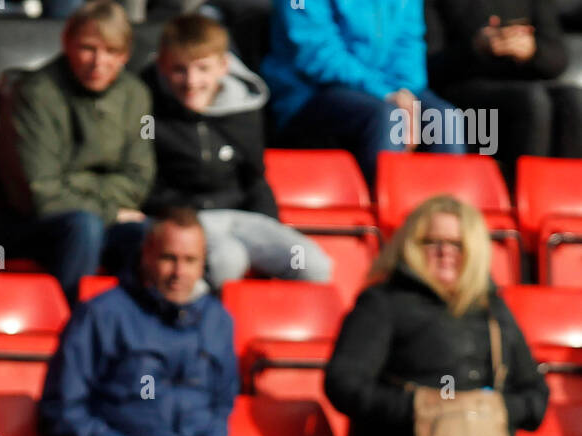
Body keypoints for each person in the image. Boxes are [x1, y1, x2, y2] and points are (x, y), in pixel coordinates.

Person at [324, 194, 557, 436]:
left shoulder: (494, 309)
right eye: (432, 241)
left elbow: (535, 396)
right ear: (411, 246)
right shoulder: (382, 303)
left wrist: (491, 409)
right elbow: (343, 383)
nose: (445, 251)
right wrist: (419, 409)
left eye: (457, 244)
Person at [40, 205, 291, 436]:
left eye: (189, 260)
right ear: (146, 254)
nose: (178, 272)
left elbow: (222, 402)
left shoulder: (217, 319)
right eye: (168, 258)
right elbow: (63, 409)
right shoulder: (101, 314)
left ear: (202, 263)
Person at [0, 1, 155, 304]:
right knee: (84, 227)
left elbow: (140, 179)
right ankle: (69, 330)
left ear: (125, 56)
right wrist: (110, 210)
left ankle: (133, 333)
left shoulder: (136, 96)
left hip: (96, 219)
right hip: (19, 224)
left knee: (149, 236)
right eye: (88, 48)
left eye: (111, 52)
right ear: (66, 43)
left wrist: (77, 187)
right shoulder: (33, 92)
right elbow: (38, 192)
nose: (98, 62)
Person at [143, 14, 332, 288]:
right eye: (179, 69)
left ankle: (282, 327)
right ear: (162, 66)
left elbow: (255, 177)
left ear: (223, 66)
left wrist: (270, 226)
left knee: (311, 263)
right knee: (227, 260)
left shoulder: (244, 109)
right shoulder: (146, 112)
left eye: (202, 69)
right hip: (186, 221)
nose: (191, 81)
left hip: (242, 217)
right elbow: (146, 181)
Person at [263, 0, 466, 185]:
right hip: (309, 95)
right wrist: (386, 93)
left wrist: (405, 90)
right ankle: (389, 212)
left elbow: (409, 42)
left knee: (444, 118)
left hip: (388, 89)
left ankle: (451, 216)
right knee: (388, 116)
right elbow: (316, 53)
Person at [425, 1, 581, 178]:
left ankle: (568, 195)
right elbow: (430, 66)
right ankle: (524, 193)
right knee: (531, 101)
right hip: (464, 88)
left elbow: (558, 60)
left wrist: (532, 50)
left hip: (526, 85)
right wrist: (475, 48)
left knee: (573, 98)